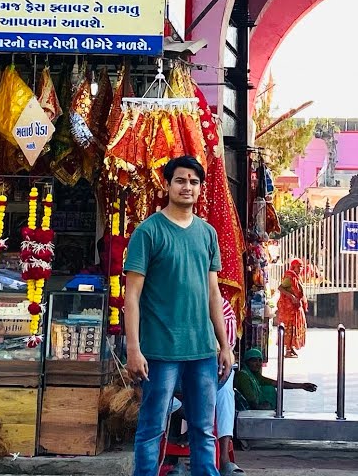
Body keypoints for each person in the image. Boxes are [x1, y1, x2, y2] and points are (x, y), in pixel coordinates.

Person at [125, 155, 234, 476]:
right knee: (152, 428)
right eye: (181, 180)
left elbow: (213, 294)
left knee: (203, 429)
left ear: (200, 189)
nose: (187, 187)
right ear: (168, 185)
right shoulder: (148, 232)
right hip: (160, 350)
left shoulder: (207, 233)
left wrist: (224, 345)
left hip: (202, 350)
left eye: (194, 182)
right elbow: (132, 296)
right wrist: (133, 348)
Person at [165, 296, 242, 476]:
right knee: (155, 387)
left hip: (211, 370)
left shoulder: (223, 306)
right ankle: (175, 451)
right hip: (178, 368)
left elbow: (226, 348)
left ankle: (224, 458)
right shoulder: (177, 300)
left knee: (226, 389)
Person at [235, 347, 318, 410]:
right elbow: (251, 401)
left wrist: (302, 386)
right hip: (246, 411)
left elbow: (277, 383)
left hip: (253, 409)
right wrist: (262, 409)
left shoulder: (255, 376)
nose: (258, 364)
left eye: (260, 360)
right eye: (254, 360)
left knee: (269, 388)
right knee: (268, 389)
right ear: (246, 362)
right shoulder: (243, 376)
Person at [276, 258, 307, 359]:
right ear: (293, 267)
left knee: (295, 328)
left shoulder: (297, 277)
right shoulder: (290, 277)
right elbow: (280, 288)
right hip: (289, 309)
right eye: (298, 266)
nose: (300, 269)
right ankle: (288, 350)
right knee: (290, 328)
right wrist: (292, 296)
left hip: (295, 307)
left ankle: (291, 347)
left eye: (301, 267)